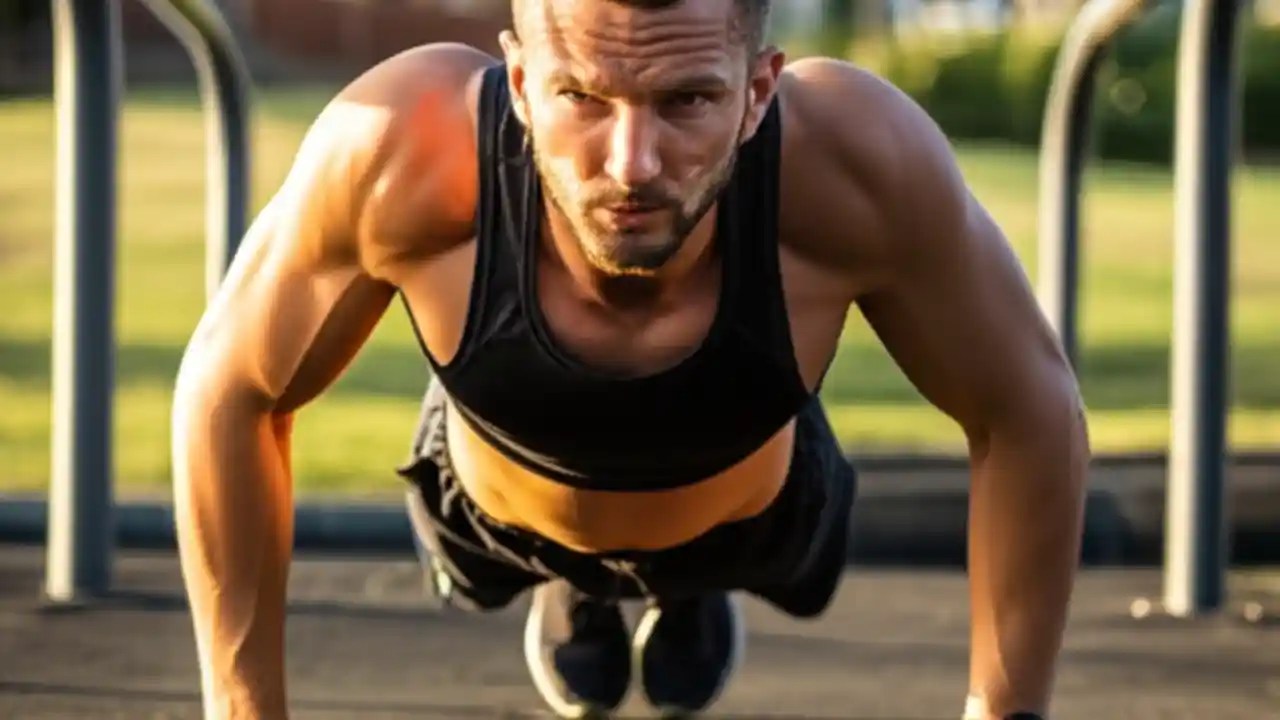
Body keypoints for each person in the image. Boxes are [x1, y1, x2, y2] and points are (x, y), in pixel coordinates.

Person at [169, 1, 1090, 718]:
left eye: (687, 99)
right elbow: (229, 387)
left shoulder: (853, 158)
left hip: (753, 508)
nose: (634, 163)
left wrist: (1002, 710)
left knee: (773, 497)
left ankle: (688, 594)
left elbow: (1029, 409)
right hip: (495, 508)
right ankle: (577, 592)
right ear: (522, 84)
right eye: (582, 98)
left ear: (759, 91)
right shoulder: (400, 146)